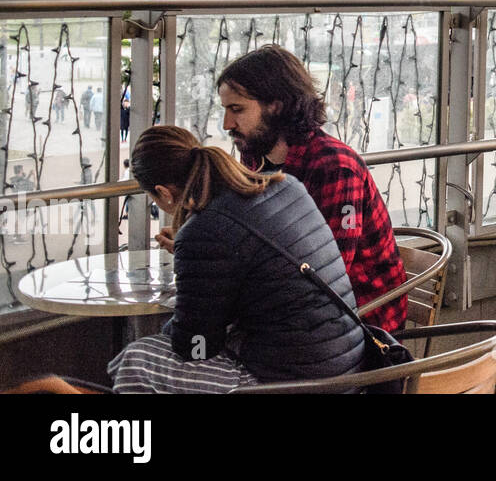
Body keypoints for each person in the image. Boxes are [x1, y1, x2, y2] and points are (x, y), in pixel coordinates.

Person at [107, 125, 366, 392]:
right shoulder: (285, 185)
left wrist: (183, 322)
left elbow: (197, 347)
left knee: (137, 360)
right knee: (133, 359)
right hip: (347, 367)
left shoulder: (201, 231)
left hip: (294, 382)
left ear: (163, 192)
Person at [211, 44, 407, 333]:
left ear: (275, 105)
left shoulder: (335, 168)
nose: (227, 124)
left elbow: (328, 272)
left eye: (237, 109)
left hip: (357, 327)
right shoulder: (254, 155)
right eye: (226, 110)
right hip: (291, 311)